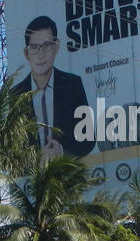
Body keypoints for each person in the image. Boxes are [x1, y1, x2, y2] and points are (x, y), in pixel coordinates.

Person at [10, 15, 95, 158]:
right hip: (33, 178)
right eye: (34, 47)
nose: (41, 54)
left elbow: (88, 138)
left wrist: (62, 153)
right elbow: (12, 150)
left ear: (56, 47)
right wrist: (36, 159)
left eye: (47, 46)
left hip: (69, 174)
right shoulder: (16, 95)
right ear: (26, 53)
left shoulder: (73, 84)